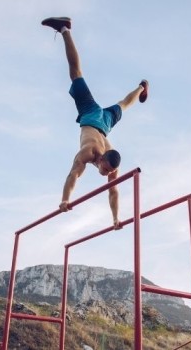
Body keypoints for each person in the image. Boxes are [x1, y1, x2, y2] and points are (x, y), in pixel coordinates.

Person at [42, 17, 148, 229]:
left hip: (105, 125)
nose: (106, 173)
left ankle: (141, 88)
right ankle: (64, 29)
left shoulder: (111, 164)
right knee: (75, 73)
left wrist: (115, 219)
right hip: (91, 115)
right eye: (106, 169)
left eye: (108, 172)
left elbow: (113, 191)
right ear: (100, 159)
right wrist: (65, 199)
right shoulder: (88, 153)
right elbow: (73, 175)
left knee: (123, 105)